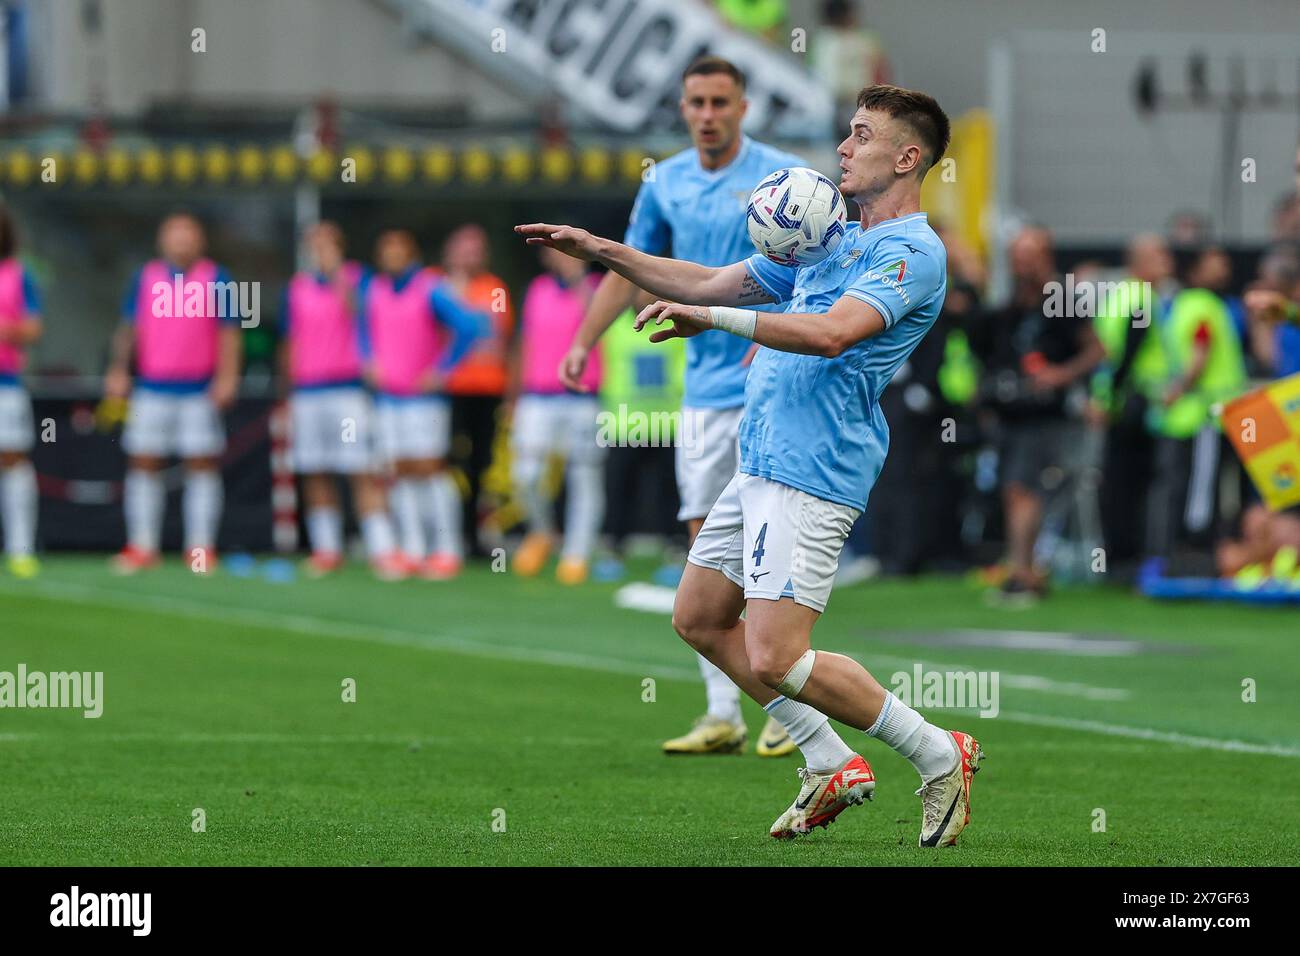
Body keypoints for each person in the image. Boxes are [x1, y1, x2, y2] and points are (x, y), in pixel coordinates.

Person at [519, 84, 985, 848]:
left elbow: (834, 332)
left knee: (776, 655)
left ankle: (939, 753)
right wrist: (600, 249)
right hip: (761, 458)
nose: (843, 147)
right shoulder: (828, 237)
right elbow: (704, 282)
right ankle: (828, 758)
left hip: (815, 470)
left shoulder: (914, 252)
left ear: (908, 157)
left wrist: (711, 320)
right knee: (698, 618)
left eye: (861, 136)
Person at [557, 55, 801, 758]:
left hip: (768, 381)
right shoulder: (664, 181)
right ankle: (723, 708)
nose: (707, 113)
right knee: (705, 545)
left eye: (720, 101)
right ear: (683, 106)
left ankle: (786, 699)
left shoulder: (781, 177)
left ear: (743, 106)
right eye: (696, 101)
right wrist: (583, 341)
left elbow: (815, 266)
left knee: (766, 540)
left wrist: (782, 333)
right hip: (702, 394)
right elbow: (630, 265)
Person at [967, 226, 1103, 601]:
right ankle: (1024, 569)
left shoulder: (1062, 298)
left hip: (1049, 415)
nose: (1021, 263)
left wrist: (1060, 376)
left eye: (1029, 255)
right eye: (1017, 255)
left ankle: (1023, 572)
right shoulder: (1011, 302)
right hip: (1014, 412)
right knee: (1017, 489)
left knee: (1023, 488)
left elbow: (1095, 351)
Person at [106, 213, 241, 574]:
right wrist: (119, 369)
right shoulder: (144, 277)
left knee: (201, 463)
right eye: (174, 234)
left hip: (198, 388)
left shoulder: (218, 277)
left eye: (188, 234)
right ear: (161, 241)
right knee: (144, 461)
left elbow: (231, 332)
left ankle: (200, 549)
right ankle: (141, 545)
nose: (181, 241)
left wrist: (228, 377)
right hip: (152, 387)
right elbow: (129, 328)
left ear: (201, 241)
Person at [358, 230, 484, 580]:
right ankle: (413, 547)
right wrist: (368, 360)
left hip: (423, 399)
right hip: (388, 397)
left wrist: (443, 370)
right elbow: (364, 331)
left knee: (430, 469)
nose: (392, 258)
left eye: (398, 251)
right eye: (387, 251)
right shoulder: (375, 289)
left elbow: (470, 327)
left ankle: (446, 548)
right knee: (399, 472)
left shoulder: (430, 289)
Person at [280, 222, 401, 579]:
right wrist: (288, 392)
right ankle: (326, 549)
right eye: (313, 246)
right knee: (315, 469)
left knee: (361, 468)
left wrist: (336, 275)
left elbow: (362, 315)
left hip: (348, 390)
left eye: (326, 245)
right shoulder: (296, 288)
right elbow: (291, 342)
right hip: (308, 391)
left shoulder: (359, 280)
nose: (319, 252)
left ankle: (381, 548)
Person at [509, 246, 605, 584]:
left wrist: (578, 280)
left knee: (583, 476)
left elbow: (600, 326)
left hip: (583, 395)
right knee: (526, 475)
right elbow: (525, 342)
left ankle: (577, 553)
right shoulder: (537, 290)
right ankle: (542, 531)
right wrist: (514, 393)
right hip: (537, 395)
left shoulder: (597, 288)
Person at [441, 224, 515, 558]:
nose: (469, 256)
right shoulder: (437, 286)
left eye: (475, 249)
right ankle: (446, 537)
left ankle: (475, 536)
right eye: (463, 248)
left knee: (481, 466)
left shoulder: (494, 288)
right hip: (448, 390)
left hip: (487, 390)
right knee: (448, 464)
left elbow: (499, 338)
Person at [0, 205, 43, 579]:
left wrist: (7, 329)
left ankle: (21, 549)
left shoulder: (18, 275)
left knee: (12, 460)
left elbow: (33, 330)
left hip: (5, 383)